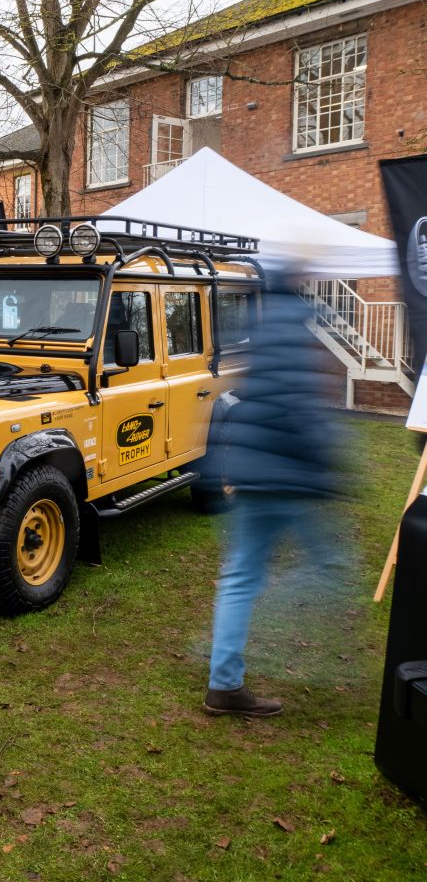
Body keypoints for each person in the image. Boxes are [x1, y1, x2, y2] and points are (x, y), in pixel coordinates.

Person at [203, 269, 343, 718]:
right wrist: (329, 463)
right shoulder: (292, 330)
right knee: (330, 568)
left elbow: (248, 399)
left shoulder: (261, 327)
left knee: (241, 577)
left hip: (253, 472)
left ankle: (223, 682)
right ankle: (322, 660)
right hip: (286, 477)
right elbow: (298, 407)